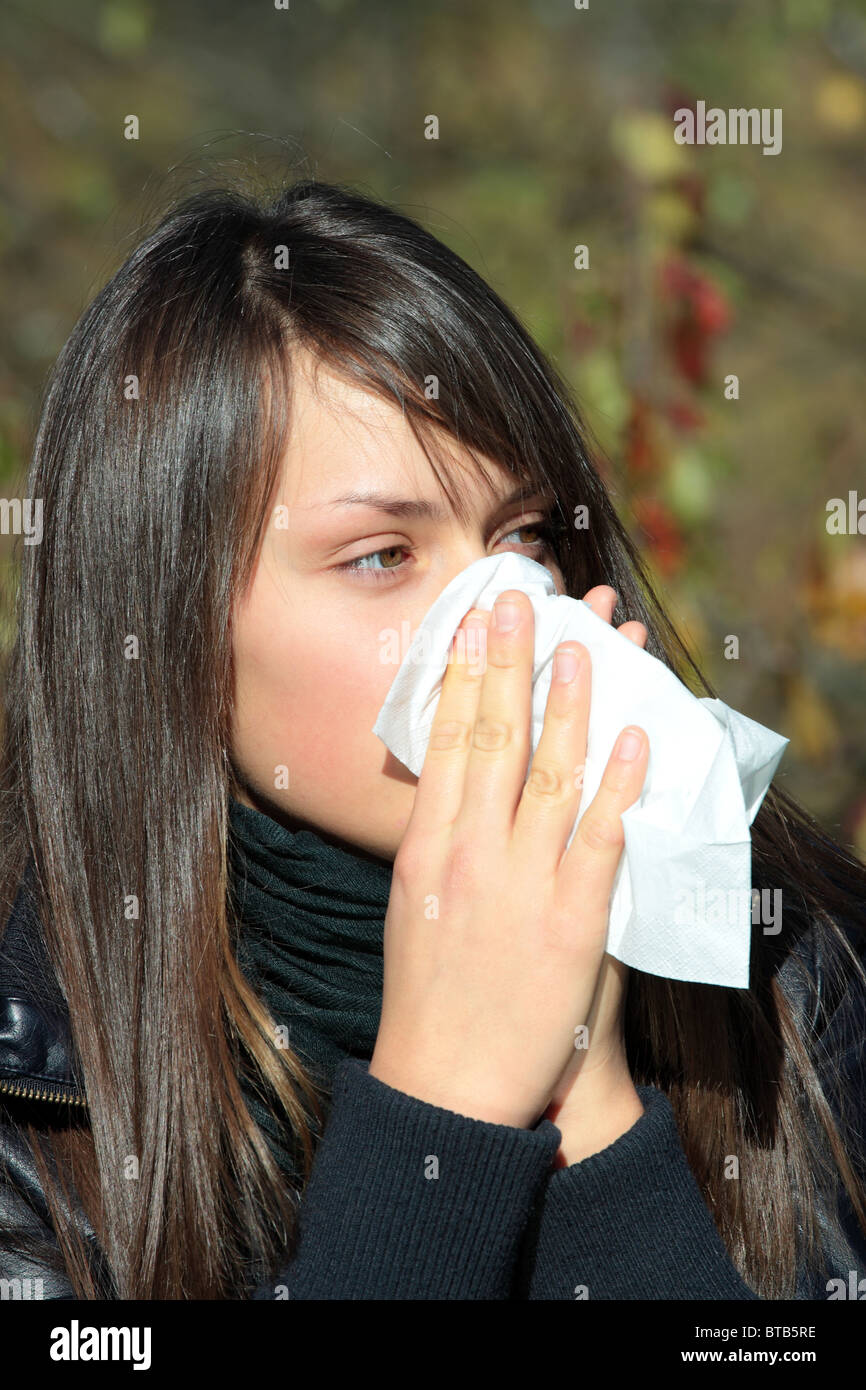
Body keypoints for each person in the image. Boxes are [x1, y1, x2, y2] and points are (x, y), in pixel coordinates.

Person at [0, 176, 864, 1301]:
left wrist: (590, 1119)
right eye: (381, 557)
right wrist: (438, 1117)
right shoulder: (35, 1109)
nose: (508, 618)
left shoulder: (797, 985)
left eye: (521, 535)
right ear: (165, 630)